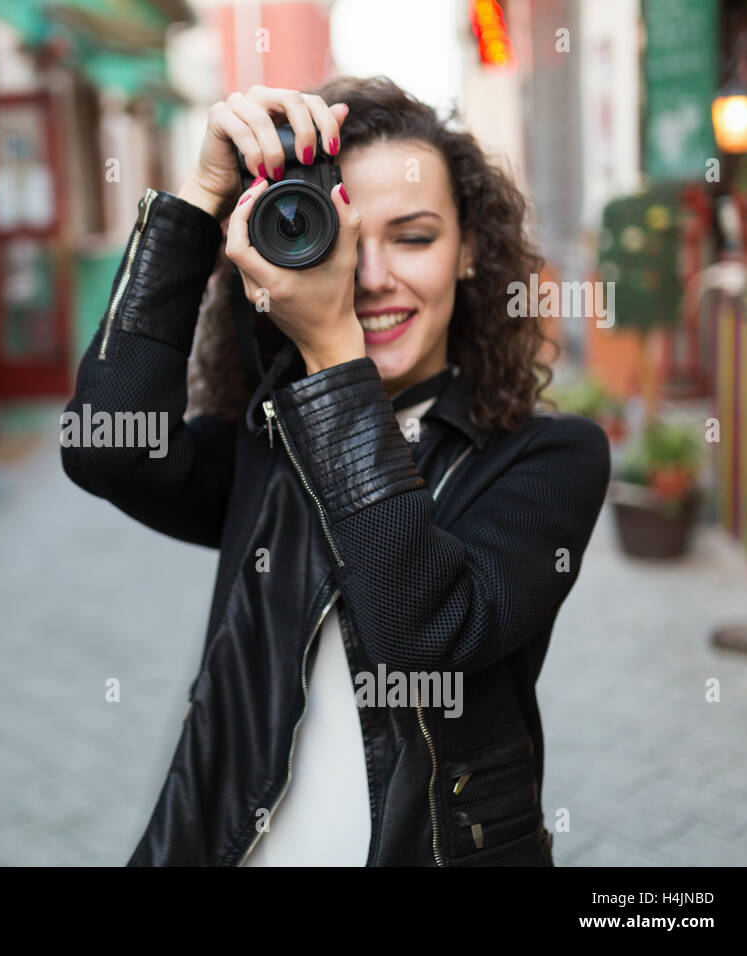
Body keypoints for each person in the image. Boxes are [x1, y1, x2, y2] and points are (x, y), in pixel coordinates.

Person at [60, 75, 611, 866]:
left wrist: (331, 353)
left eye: (414, 237)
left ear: (471, 252)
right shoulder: (269, 444)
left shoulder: (549, 459)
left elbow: (427, 638)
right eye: (345, 236)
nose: (374, 275)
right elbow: (106, 445)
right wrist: (199, 201)